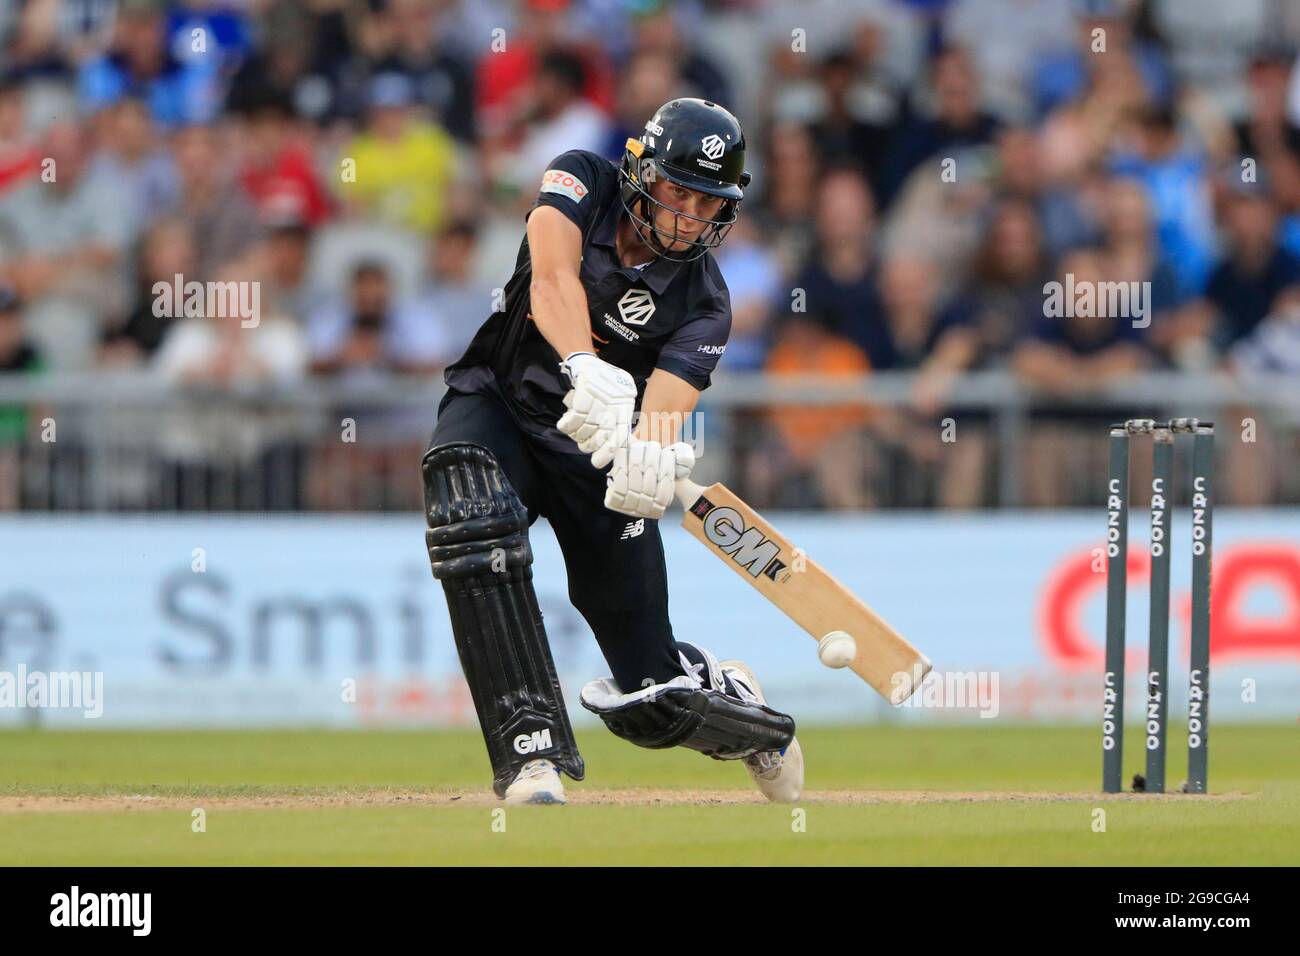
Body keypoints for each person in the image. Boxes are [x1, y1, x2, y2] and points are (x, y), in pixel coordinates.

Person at [422, 98, 802, 805]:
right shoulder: (580, 181)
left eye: (707, 204)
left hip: (592, 456)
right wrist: (582, 364)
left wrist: (647, 456)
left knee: (650, 697)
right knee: (469, 509)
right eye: (677, 193)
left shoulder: (705, 303)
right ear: (641, 176)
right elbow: (553, 278)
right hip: (500, 403)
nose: (688, 217)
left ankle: (745, 715)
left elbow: (668, 404)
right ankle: (529, 752)